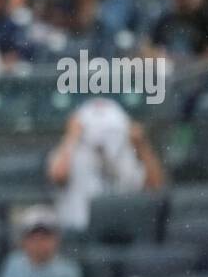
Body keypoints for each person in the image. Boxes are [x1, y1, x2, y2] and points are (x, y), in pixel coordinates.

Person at [47, 98, 165, 232]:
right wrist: (72, 136)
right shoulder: (70, 153)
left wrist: (142, 145)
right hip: (80, 232)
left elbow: (156, 187)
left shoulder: (127, 156)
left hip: (122, 233)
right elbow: (58, 175)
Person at [0, 206, 83, 277]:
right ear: (23, 241)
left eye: (45, 237)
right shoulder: (12, 266)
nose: (39, 243)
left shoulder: (68, 271)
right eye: (33, 238)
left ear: (57, 240)